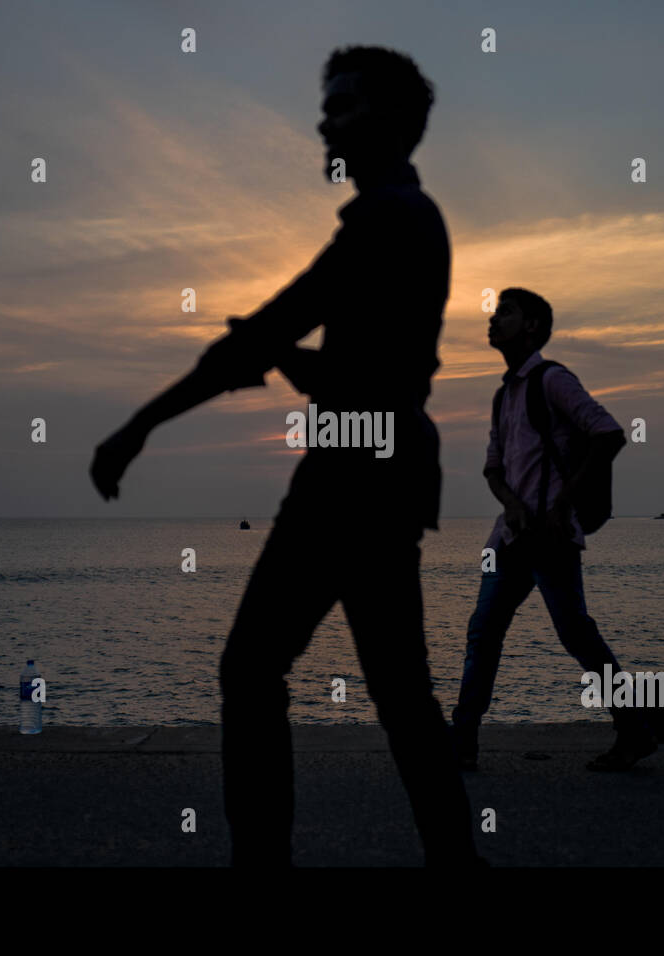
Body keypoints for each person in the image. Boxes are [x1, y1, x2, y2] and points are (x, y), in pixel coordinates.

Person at [90, 46, 480, 866]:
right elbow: (370, 366)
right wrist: (287, 359)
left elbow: (285, 328)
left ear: (388, 120)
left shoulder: (386, 219)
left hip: (350, 477)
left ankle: (263, 864)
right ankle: (453, 857)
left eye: (340, 105)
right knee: (401, 695)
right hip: (382, 466)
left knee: (253, 669)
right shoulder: (407, 218)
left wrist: (140, 426)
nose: (322, 121)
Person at [449, 287, 656, 772]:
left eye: (506, 312)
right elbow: (493, 470)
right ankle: (462, 743)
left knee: (575, 634)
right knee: (483, 633)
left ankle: (633, 728)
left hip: (552, 538)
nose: (493, 319)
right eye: (495, 311)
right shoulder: (504, 395)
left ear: (533, 326)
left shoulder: (553, 380)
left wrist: (563, 502)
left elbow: (607, 433)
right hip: (511, 537)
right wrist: (514, 504)